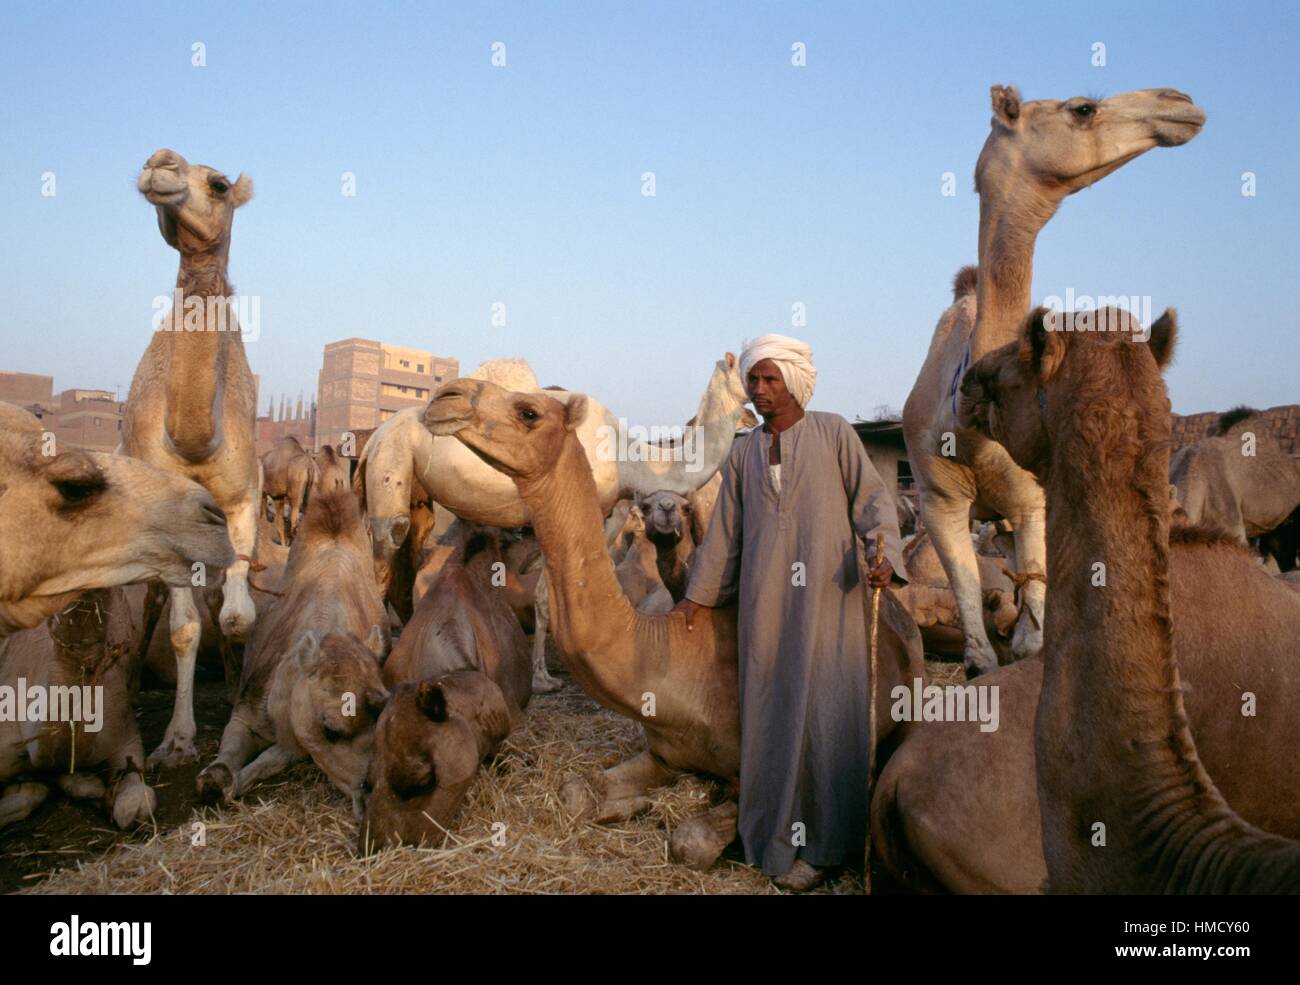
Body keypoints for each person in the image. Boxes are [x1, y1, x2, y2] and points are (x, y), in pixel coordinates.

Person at [672, 334, 906, 891]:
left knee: (828, 715)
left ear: (796, 382)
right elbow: (725, 535)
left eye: (771, 379)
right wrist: (697, 598)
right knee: (769, 714)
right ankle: (770, 837)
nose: (760, 389)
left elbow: (874, 501)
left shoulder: (833, 433)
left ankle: (829, 848)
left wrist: (885, 556)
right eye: (754, 379)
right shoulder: (743, 451)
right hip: (764, 607)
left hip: (830, 602)